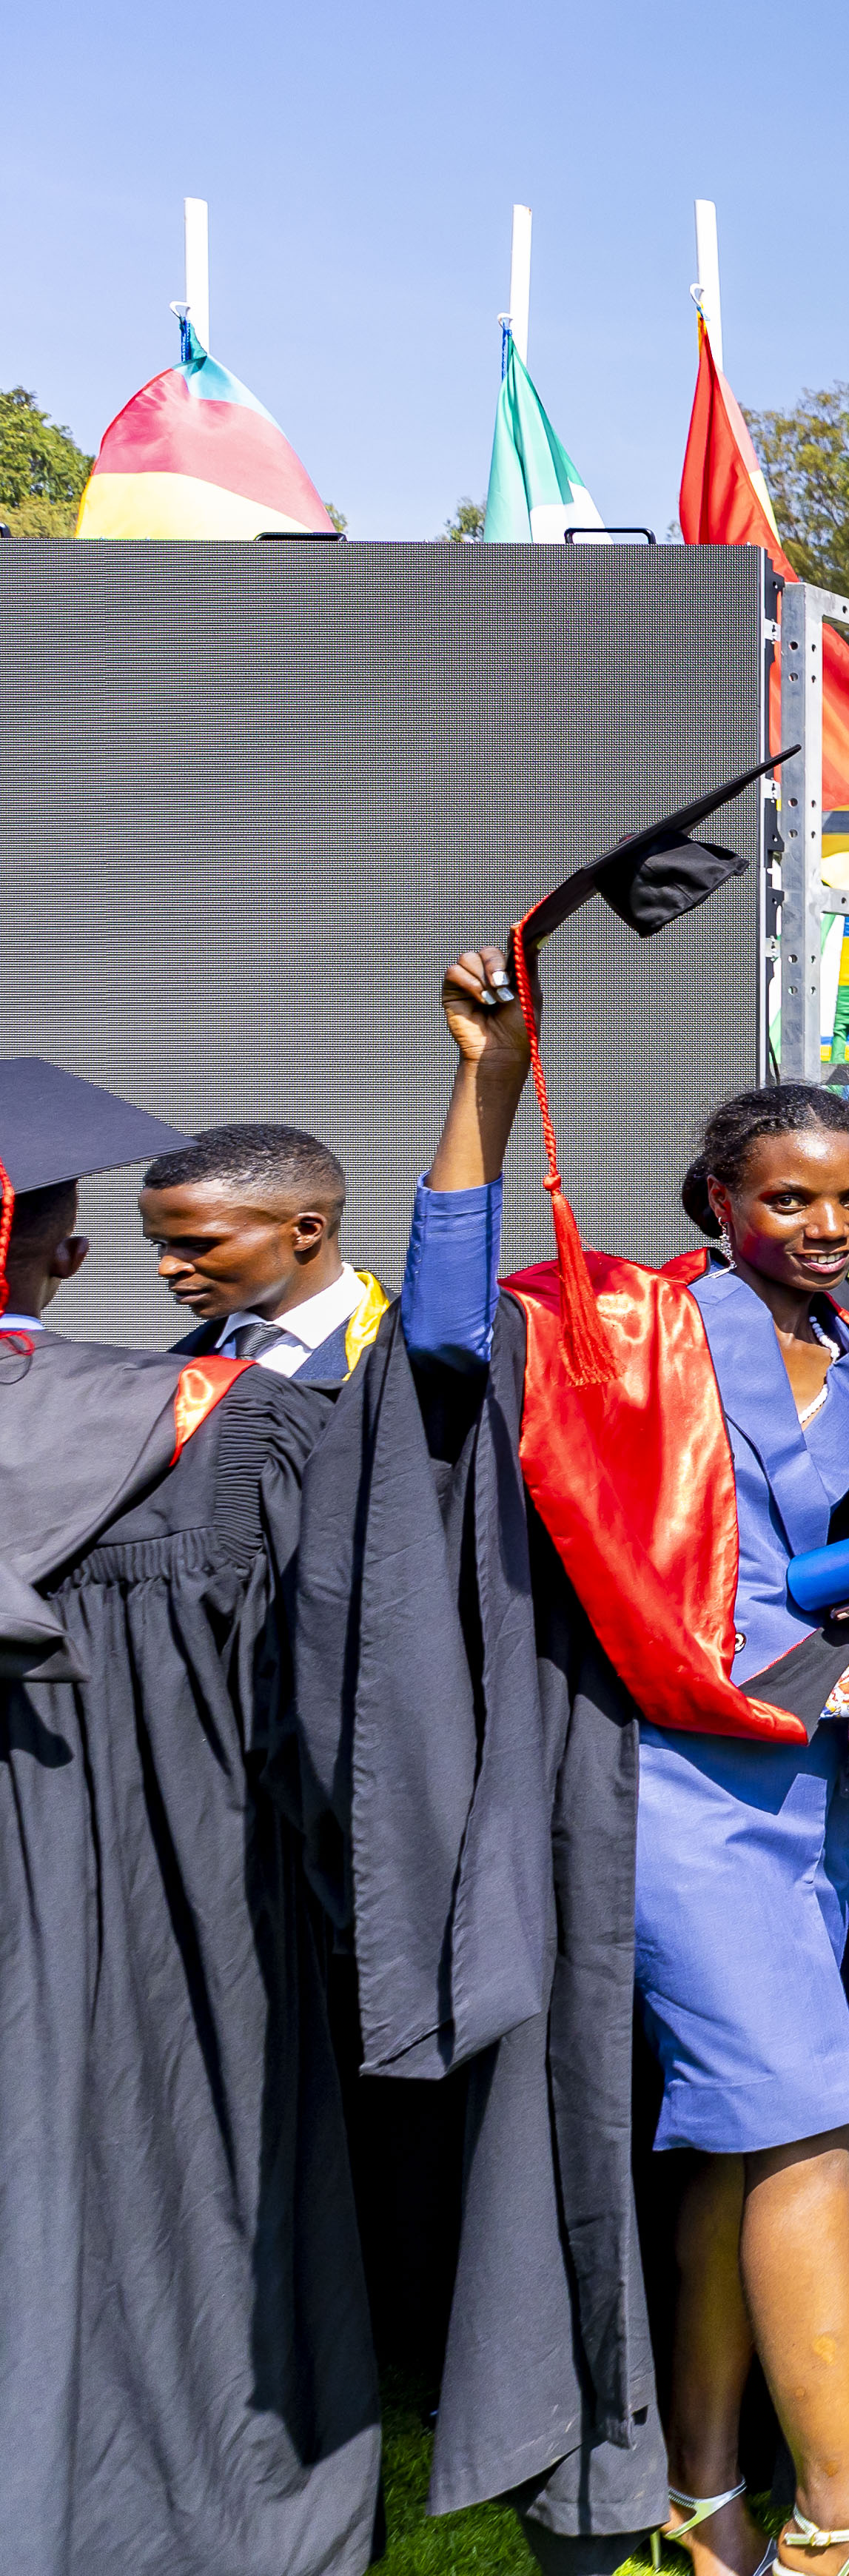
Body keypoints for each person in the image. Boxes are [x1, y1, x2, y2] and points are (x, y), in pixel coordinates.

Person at [402, 956, 849, 2576]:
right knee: (808, 2118)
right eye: (788, 1199)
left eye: (847, 1197)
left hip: (813, 1774)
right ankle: (848, 2508)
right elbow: (452, 1329)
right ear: (718, 1199)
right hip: (671, 1781)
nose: (827, 1224)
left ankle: (704, 2494)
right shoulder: (641, 1325)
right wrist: (490, 1076)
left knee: (742, 2136)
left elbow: (831, 1551)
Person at [0, 1064, 401, 2575]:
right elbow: (320, 1699)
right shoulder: (208, 1426)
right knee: (174, 2160)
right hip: (158, 1889)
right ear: (60, 1247)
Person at [137, 1118, 383, 1381]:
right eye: (161, 1245)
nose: (167, 1268)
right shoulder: (171, 1367)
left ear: (305, 1231)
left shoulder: (407, 1359)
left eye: (200, 1245)